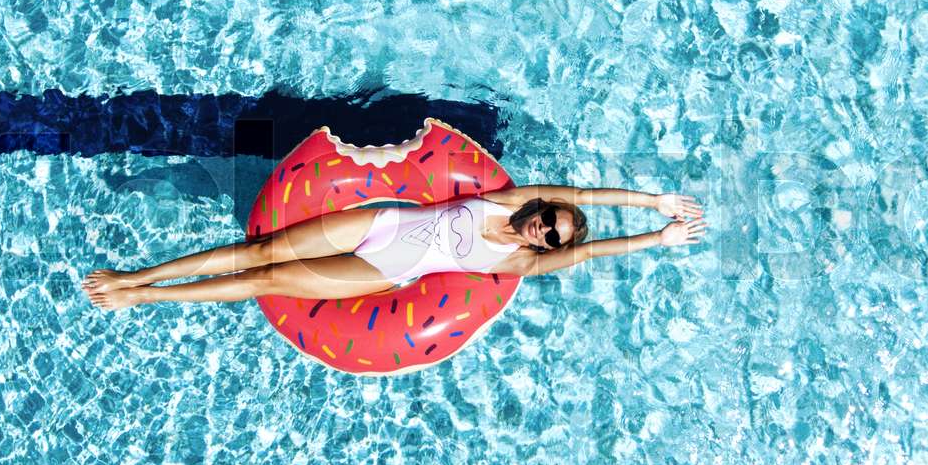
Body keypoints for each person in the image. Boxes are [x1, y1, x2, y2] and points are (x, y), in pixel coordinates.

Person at [81, 186, 706, 311]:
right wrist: (654, 201)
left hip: (381, 269)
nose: (545, 233)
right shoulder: (519, 195)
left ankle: (142, 300)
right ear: (541, 210)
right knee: (260, 250)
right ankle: (137, 274)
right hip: (377, 224)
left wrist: (658, 239)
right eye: (550, 222)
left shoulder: (518, 262)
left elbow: (595, 252)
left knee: (267, 281)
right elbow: (585, 193)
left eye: (552, 240)